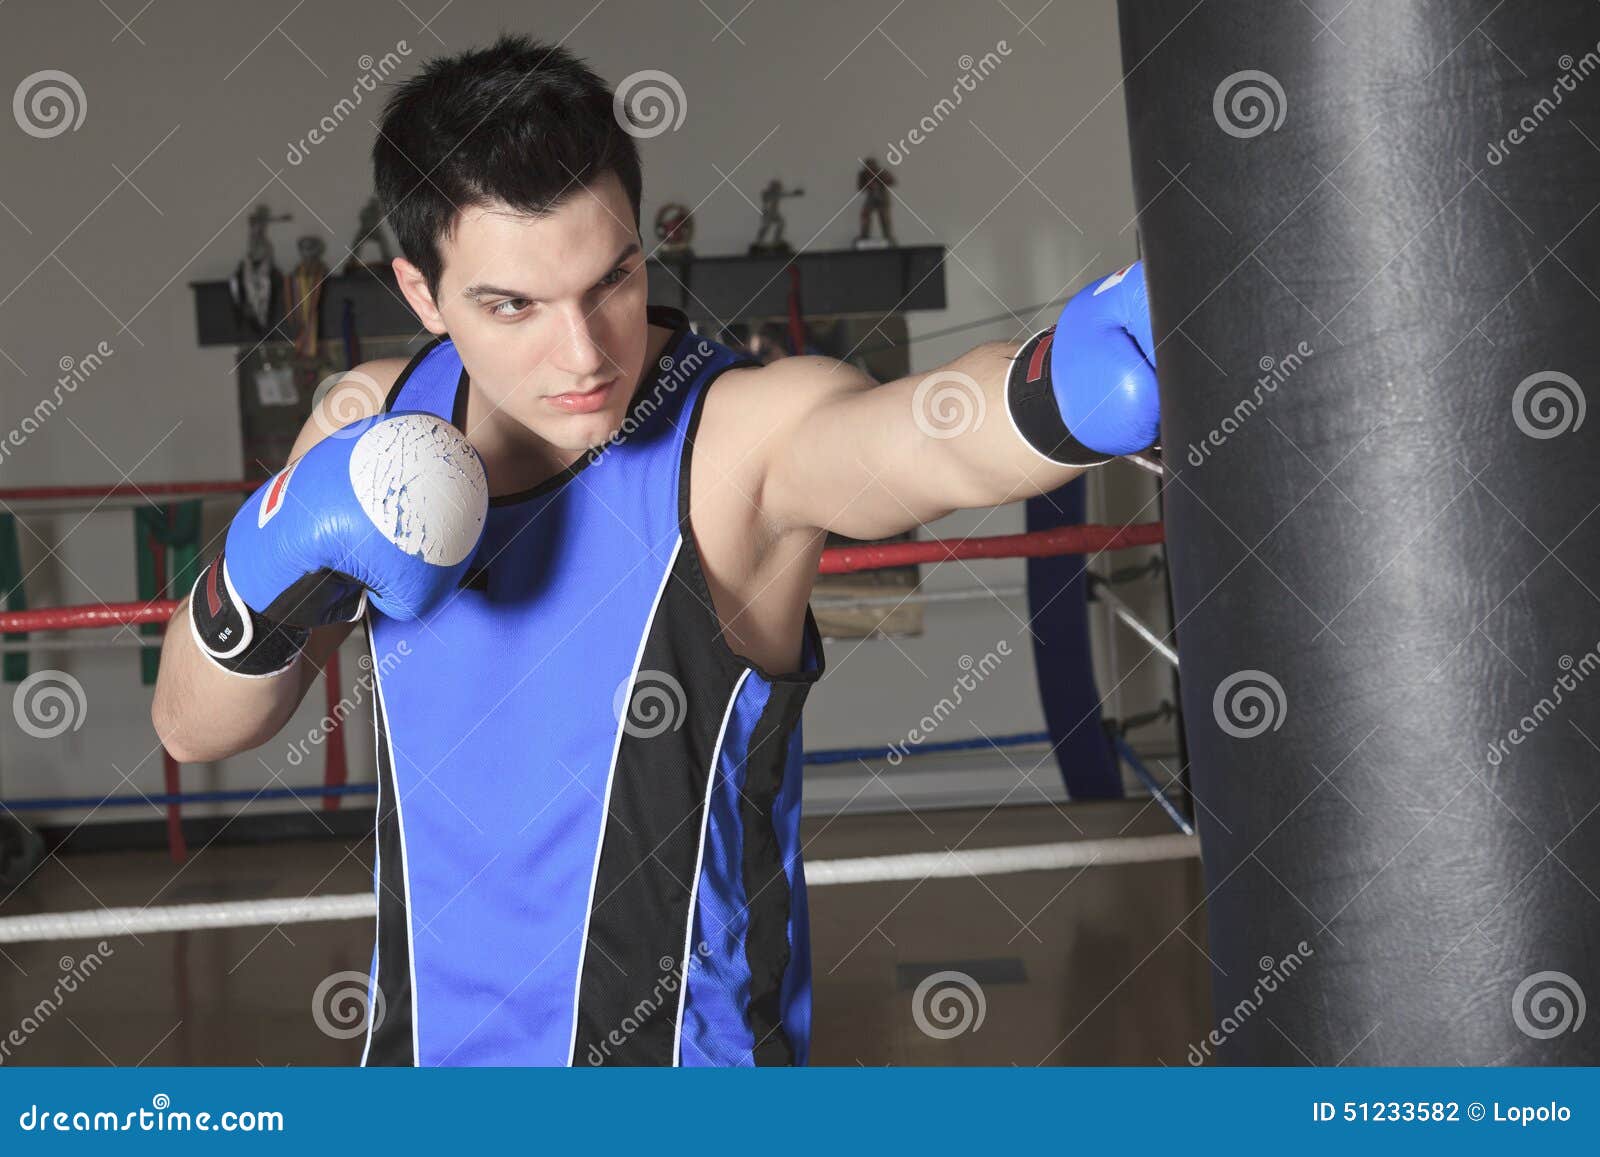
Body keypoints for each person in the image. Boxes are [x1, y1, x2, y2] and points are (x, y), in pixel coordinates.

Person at [150, 34, 1159, 1067]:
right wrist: (262, 568)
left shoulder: (737, 439)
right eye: (514, 306)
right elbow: (191, 725)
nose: (584, 351)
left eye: (611, 281)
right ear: (421, 293)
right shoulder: (374, 433)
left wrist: (1063, 387)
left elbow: (920, 437)